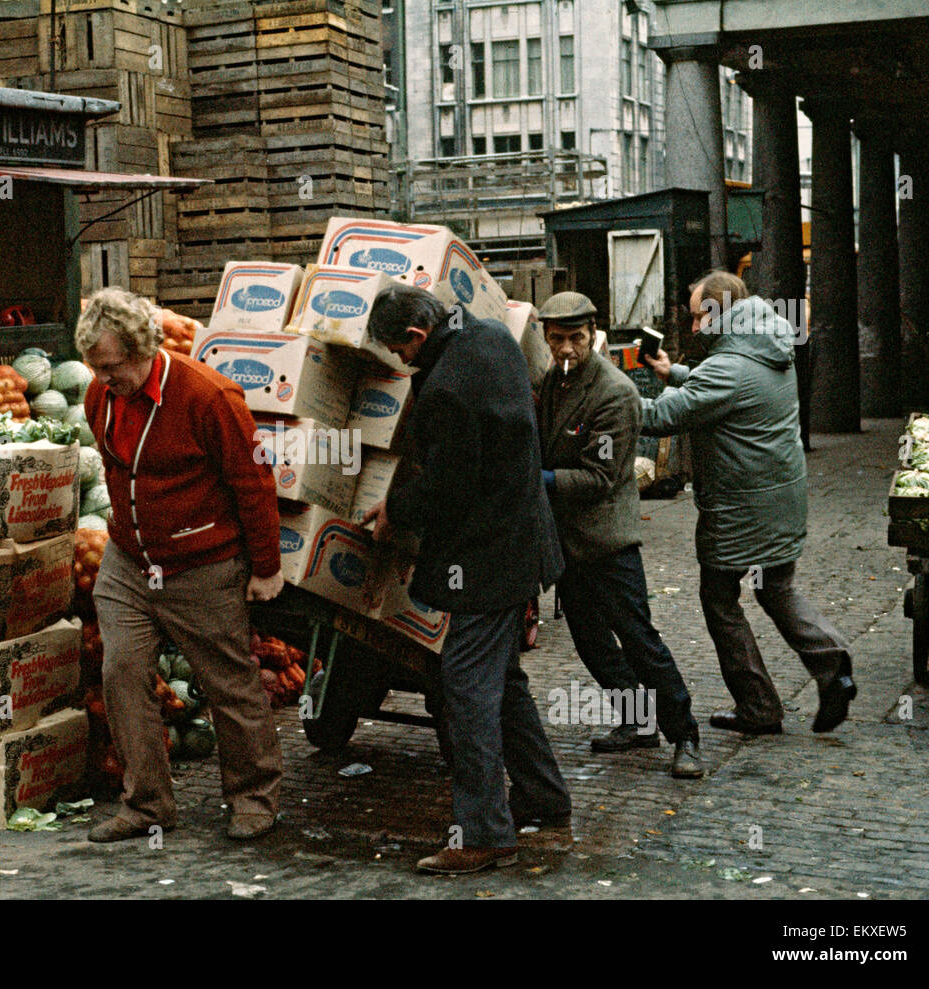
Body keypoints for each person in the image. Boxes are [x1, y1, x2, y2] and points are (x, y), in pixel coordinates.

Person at [361, 285, 570, 876]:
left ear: (417, 337)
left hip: (485, 560)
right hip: (524, 541)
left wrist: (395, 510)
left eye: (400, 353)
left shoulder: (447, 391)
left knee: (467, 690)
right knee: (502, 680)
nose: (400, 364)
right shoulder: (491, 336)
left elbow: (450, 487)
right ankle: (545, 797)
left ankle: (482, 832)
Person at [77, 287, 286, 842]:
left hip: (203, 564)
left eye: (111, 367)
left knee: (229, 684)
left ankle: (252, 796)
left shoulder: (209, 397)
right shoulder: (100, 398)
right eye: (94, 369)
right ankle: (146, 804)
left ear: (143, 347)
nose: (102, 379)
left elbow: (253, 482)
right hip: (128, 560)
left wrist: (266, 567)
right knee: (121, 673)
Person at [641, 271, 856, 734]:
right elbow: (729, 382)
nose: (694, 327)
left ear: (720, 315)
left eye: (698, 317)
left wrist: (606, 399)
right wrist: (673, 372)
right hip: (780, 500)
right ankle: (833, 663)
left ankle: (759, 707)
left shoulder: (726, 367)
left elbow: (663, 415)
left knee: (719, 599)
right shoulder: (766, 340)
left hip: (740, 510)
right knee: (776, 588)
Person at [535, 292, 703, 778]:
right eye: (557, 338)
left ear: (593, 335)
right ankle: (637, 722)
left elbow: (599, 478)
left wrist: (534, 480)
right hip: (566, 541)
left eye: (576, 338)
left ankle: (685, 734)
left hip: (607, 542)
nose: (566, 348)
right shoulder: (553, 381)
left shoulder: (615, 393)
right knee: (590, 641)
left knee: (638, 640)